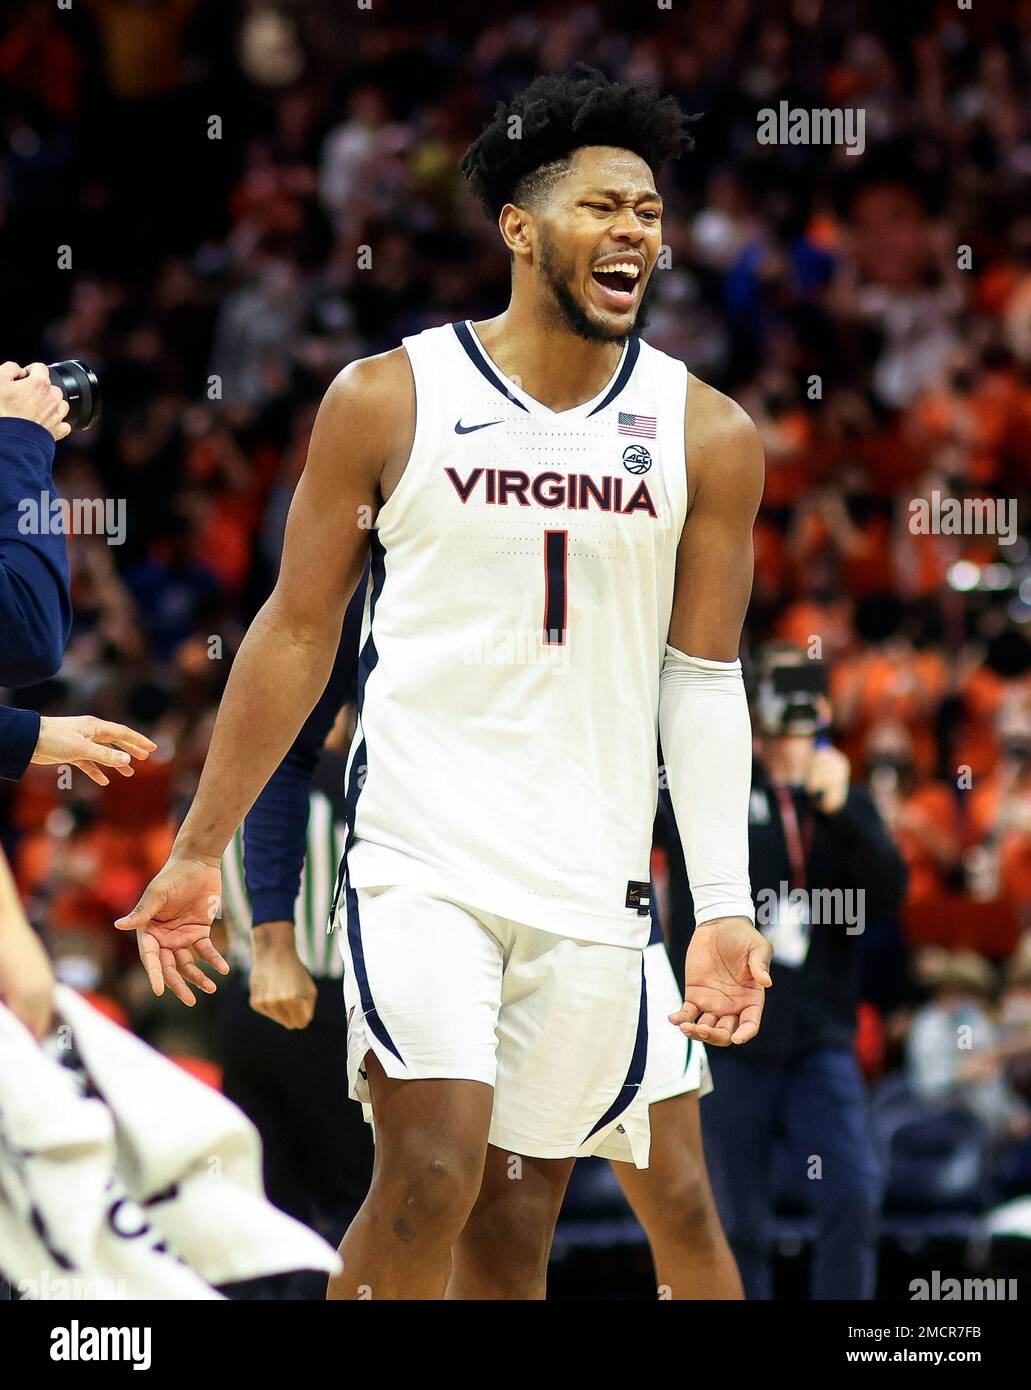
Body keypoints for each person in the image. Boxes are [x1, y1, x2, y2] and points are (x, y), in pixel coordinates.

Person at [116, 67, 772, 1302]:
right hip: (420, 857)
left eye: (647, 210)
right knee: (425, 1174)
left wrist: (722, 904)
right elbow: (295, 634)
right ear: (519, 228)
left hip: (592, 878)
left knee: (511, 1233)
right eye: (600, 206)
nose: (634, 230)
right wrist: (200, 849)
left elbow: (700, 676)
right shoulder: (388, 397)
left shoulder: (709, 434)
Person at [667, 642, 908, 1300]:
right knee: (734, 1219)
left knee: (851, 1195)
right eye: (778, 691)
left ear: (824, 707)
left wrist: (836, 809)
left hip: (818, 1033)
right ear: (752, 704)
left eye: (804, 694)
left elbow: (888, 894)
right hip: (727, 1032)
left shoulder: (840, 796)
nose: (792, 708)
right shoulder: (716, 788)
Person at [0, 359, 156, 783]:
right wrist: (21, 440)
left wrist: (29, 735)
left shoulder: (91, 553)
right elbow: (29, 639)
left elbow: (126, 631)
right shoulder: (22, 473)